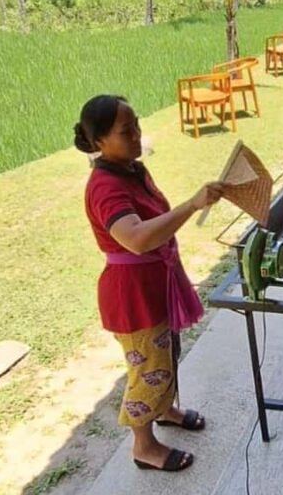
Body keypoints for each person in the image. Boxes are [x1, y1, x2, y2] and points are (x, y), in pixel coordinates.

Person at [75, 95, 229, 472]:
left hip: (156, 282)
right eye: (126, 131)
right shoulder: (104, 187)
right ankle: (143, 446)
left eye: (137, 125)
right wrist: (192, 205)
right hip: (132, 293)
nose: (137, 135)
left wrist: (190, 206)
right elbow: (138, 238)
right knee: (147, 370)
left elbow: (155, 219)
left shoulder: (133, 170)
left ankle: (166, 410)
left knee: (167, 354)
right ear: (98, 142)